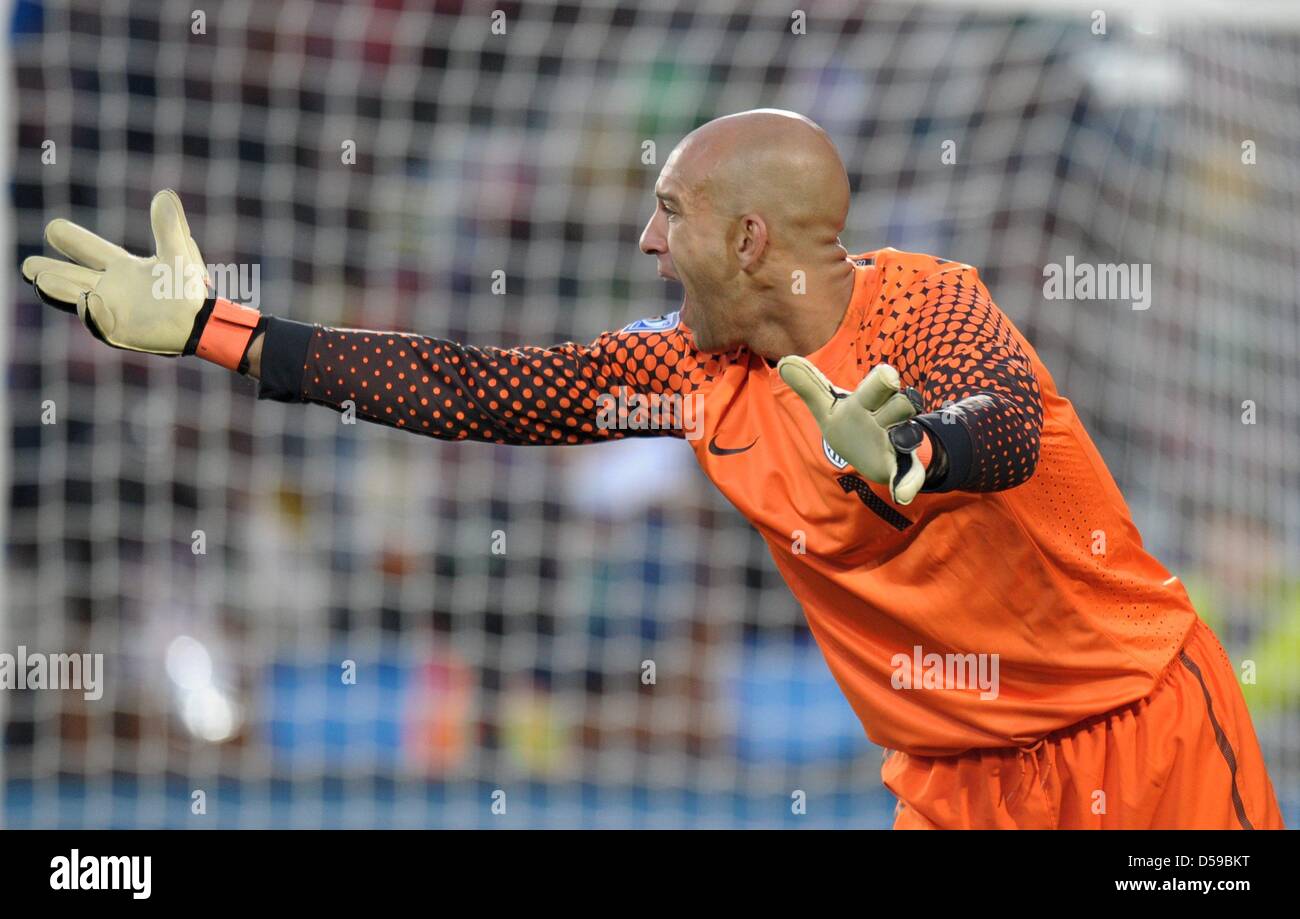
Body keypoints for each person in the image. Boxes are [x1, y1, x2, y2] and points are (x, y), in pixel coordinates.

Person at [22, 109, 1284, 829]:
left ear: (747, 236)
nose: (644, 240)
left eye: (667, 213)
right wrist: (213, 329)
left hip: (1142, 736)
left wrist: (910, 449)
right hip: (957, 783)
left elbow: (999, 416)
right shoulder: (683, 375)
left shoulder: (927, 306)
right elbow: (473, 389)